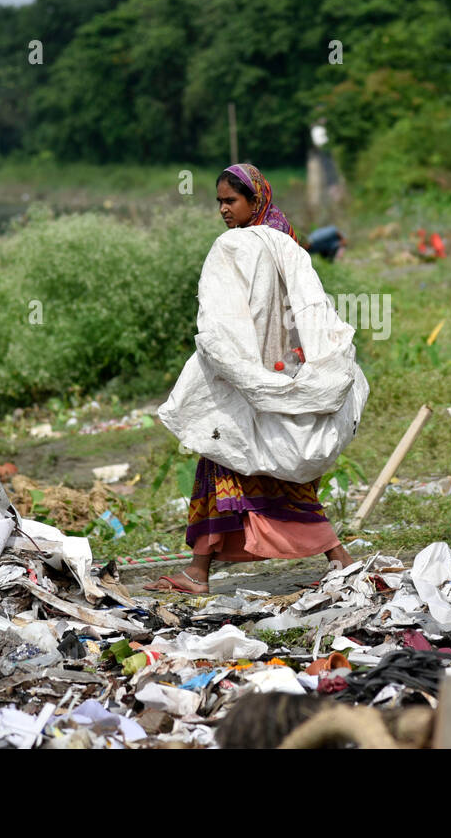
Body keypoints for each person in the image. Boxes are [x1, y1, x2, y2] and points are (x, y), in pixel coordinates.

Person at [145, 162, 354, 593]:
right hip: (282, 374)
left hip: (250, 378)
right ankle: (333, 557)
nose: (223, 210)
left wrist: (237, 367)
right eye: (219, 202)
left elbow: (222, 320)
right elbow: (311, 310)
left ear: (254, 200)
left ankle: (200, 573)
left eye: (231, 200)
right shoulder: (287, 240)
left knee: (229, 460)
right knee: (273, 469)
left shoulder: (234, 246)